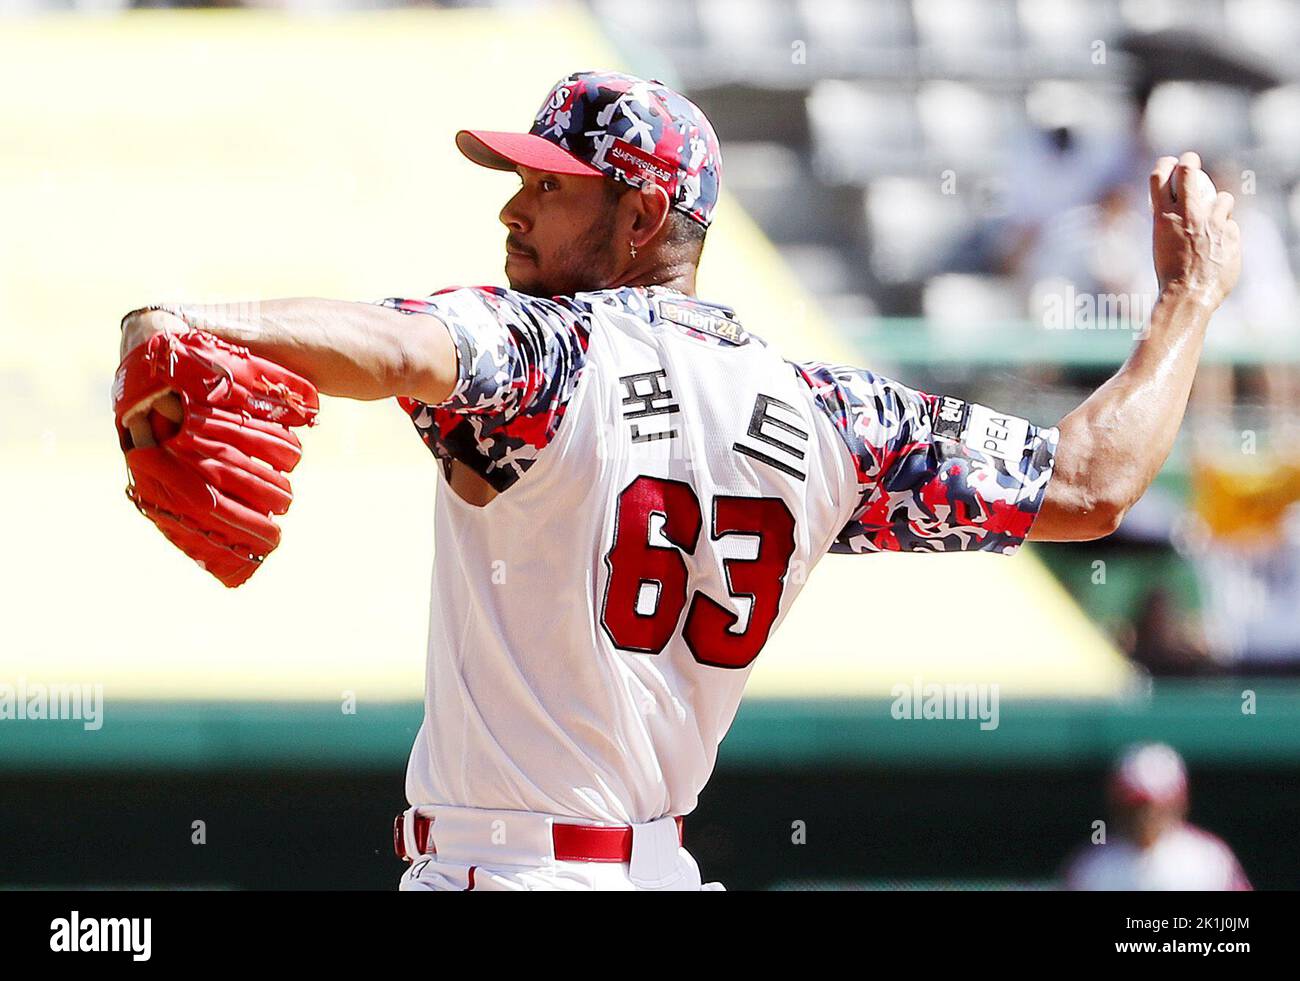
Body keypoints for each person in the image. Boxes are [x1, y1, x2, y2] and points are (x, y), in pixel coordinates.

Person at [117, 70, 1241, 890]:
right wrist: (1188, 300)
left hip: (502, 873)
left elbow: (405, 346)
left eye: (551, 187)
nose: (513, 206)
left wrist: (188, 324)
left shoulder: (550, 355)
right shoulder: (834, 414)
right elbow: (1094, 482)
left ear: (642, 215)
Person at [1063, 742, 1251, 890]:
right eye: (1135, 807)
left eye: (1157, 808)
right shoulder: (1092, 866)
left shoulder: (1209, 860)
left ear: (1179, 804)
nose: (1146, 817)